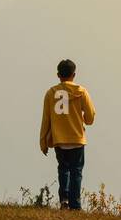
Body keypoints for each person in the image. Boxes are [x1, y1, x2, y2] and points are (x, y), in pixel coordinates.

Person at [39, 59, 96, 210]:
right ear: (74, 74)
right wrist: (83, 119)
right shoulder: (81, 91)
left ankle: (64, 199)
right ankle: (75, 205)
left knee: (63, 169)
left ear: (58, 75)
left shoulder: (51, 93)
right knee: (76, 171)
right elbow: (90, 117)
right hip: (77, 138)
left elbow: (46, 119)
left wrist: (43, 141)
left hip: (59, 139)